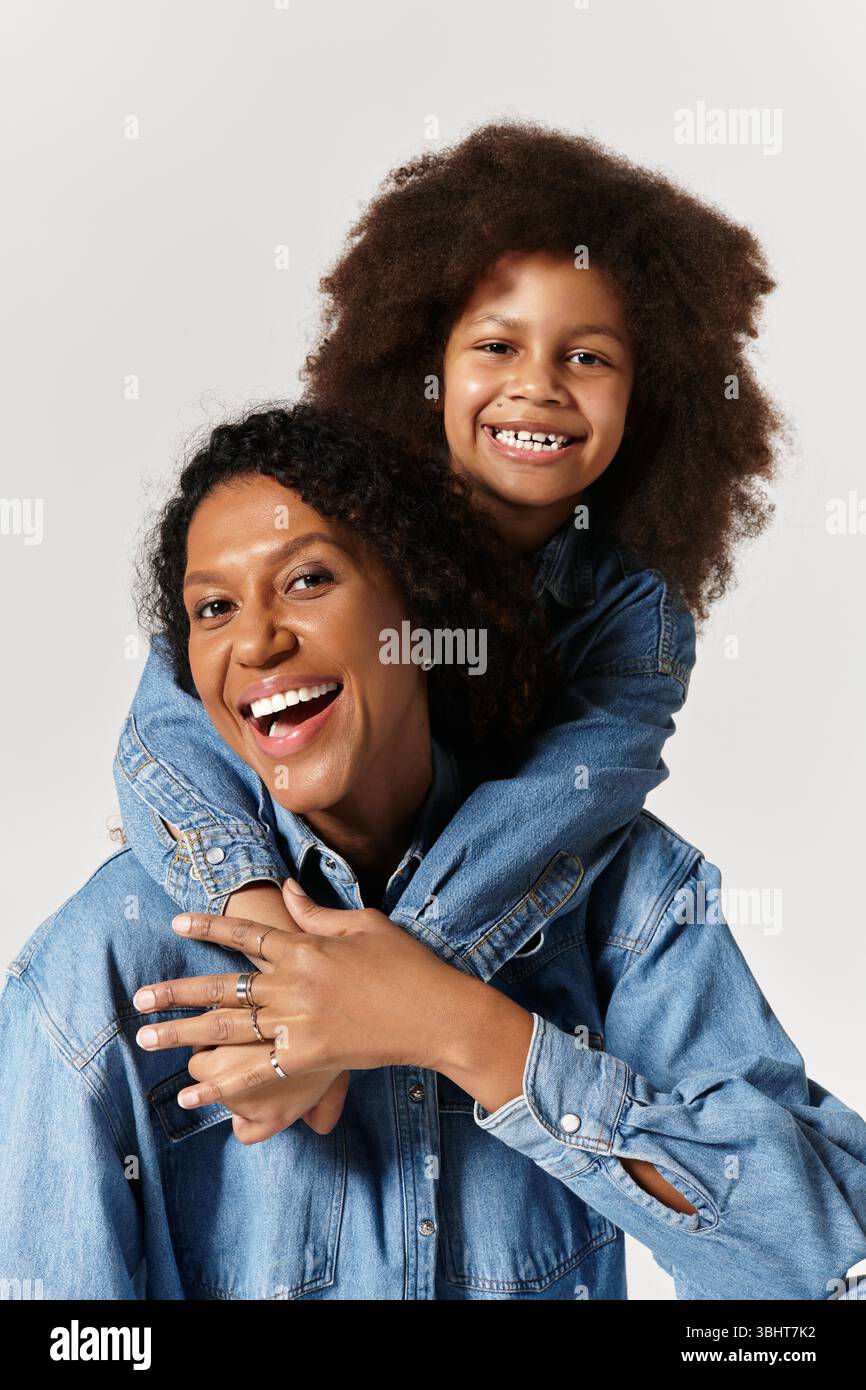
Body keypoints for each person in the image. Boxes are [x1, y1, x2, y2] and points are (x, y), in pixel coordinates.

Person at [2, 405, 864, 1301]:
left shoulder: (630, 909)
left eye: (307, 580)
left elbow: (820, 1275)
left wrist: (460, 1027)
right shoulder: (97, 974)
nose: (254, 641)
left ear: (421, 604)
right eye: (213, 608)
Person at [113, 119, 786, 1135]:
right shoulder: (322, 521)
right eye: (496, 344)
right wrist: (271, 957)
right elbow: (168, 720)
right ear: (420, 357)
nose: (537, 384)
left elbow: (555, 809)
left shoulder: (631, 618)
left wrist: (370, 1006)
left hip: (476, 960)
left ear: (649, 398)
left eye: (588, 356)